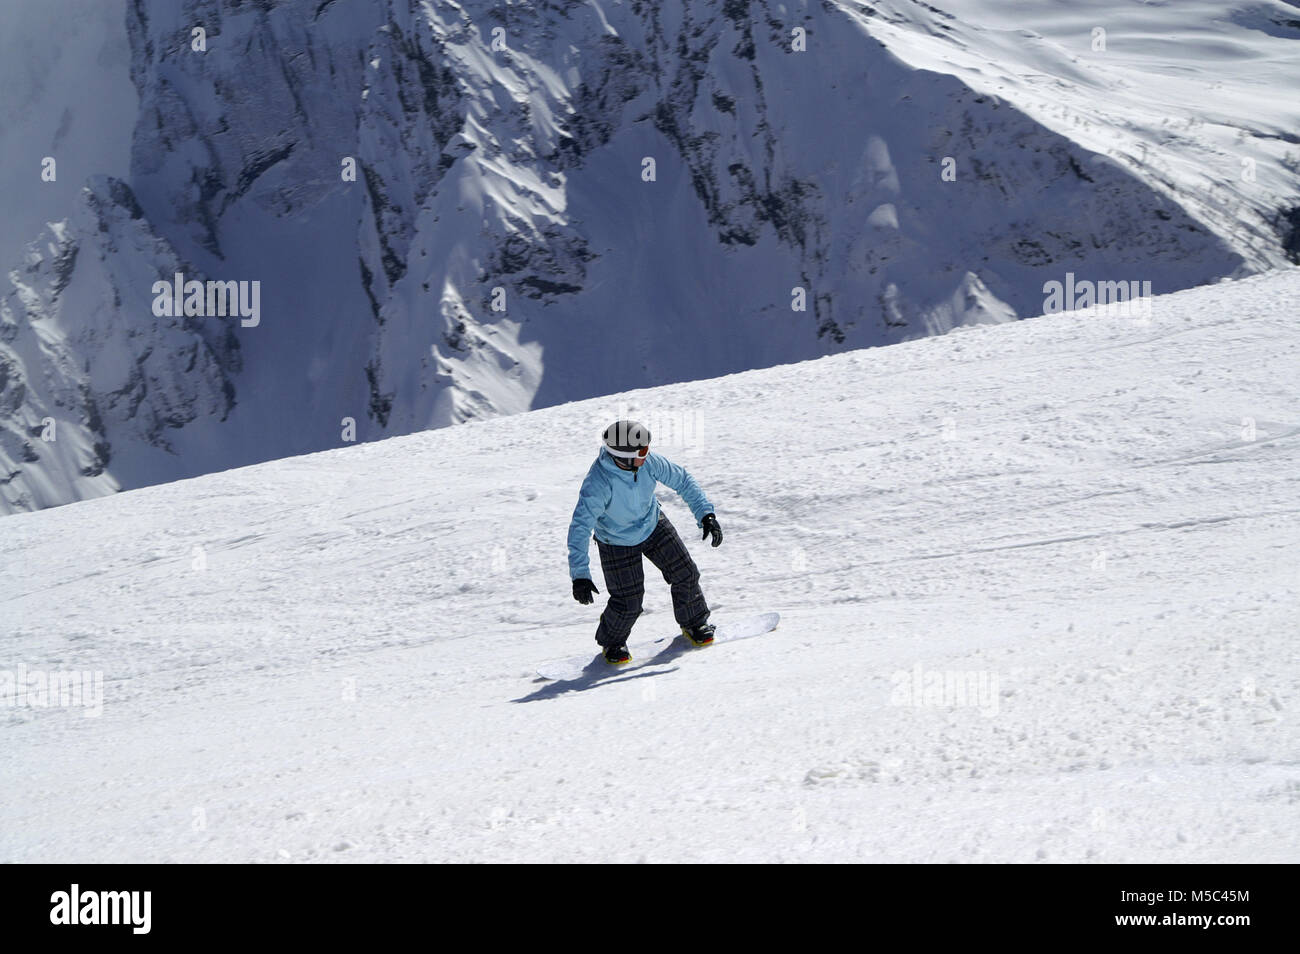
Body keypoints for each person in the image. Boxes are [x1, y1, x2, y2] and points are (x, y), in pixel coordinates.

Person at [567, 420, 723, 664]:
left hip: (652, 524)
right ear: (623, 456)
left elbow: (682, 480)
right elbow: (580, 527)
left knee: (686, 573)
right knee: (628, 601)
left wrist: (706, 514)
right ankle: (613, 641)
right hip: (616, 541)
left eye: (647, 447)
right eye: (641, 451)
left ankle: (694, 623)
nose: (647, 453)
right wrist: (580, 575)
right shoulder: (598, 483)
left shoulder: (649, 463)